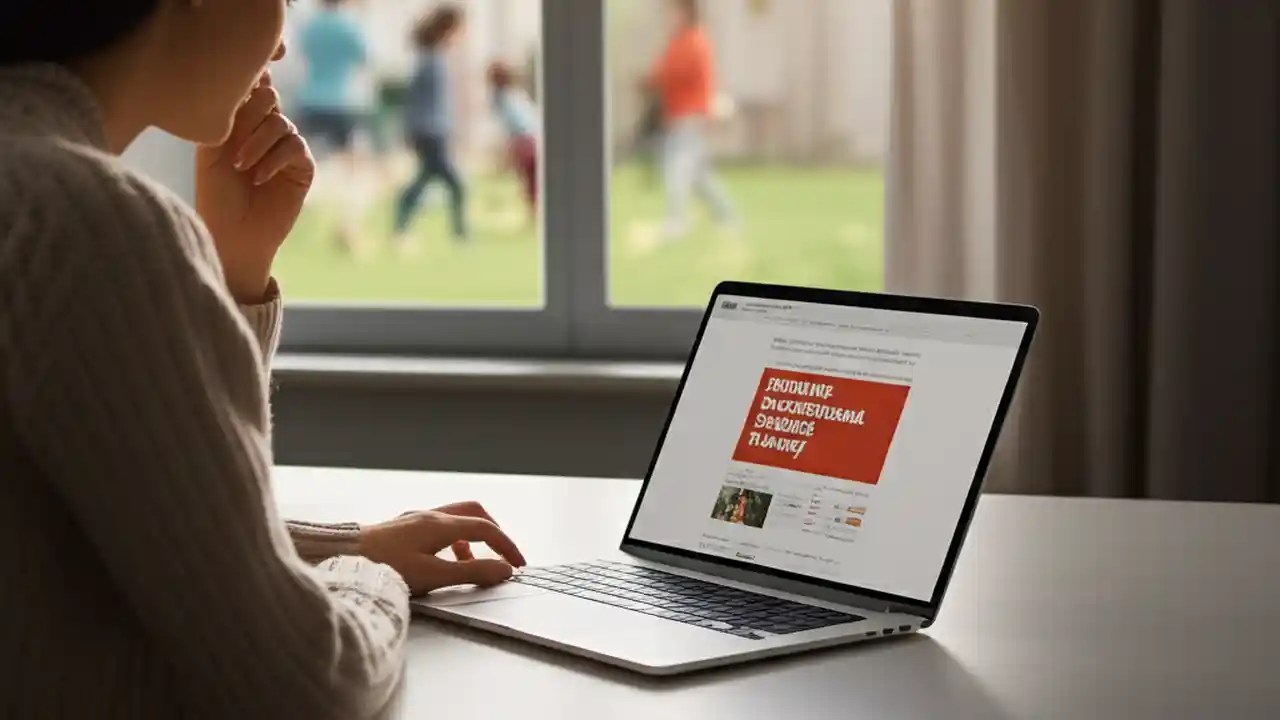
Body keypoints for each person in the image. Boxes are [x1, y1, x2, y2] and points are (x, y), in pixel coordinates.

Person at [0, 1, 525, 717]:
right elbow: (308, 678)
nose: (280, 47)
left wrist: (232, 275)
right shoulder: (84, 222)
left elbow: (133, 528)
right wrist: (363, 575)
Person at [647, 0, 736, 239]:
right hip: (681, 116)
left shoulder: (694, 40)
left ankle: (678, 222)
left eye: (672, 10)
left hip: (691, 116)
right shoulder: (681, 39)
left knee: (676, 169)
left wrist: (652, 77)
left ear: (685, 11)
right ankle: (728, 216)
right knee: (698, 175)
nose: (668, 16)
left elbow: (671, 73)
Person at [296, 0, 371, 256]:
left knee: (299, 163)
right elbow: (365, 57)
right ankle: (348, 228)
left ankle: (297, 210)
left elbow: (302, 54)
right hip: (343, 103)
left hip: (310, 100)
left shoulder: (311, 26)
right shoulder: (349, 25)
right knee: (354, 170)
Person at [394, 5, 467, 251]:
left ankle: (401, 225)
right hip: (429, 131)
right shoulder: (430, 60)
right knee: (452, 183)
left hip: (435, 130)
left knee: (426, 180)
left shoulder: (434, 58)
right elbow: (416, 100)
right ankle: (460, 234)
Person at [487, 60, 539, 219]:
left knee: (531, 179)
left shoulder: (503, 98)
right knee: (532, 179)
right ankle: (535, 214)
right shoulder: (511, 96)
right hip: (528, 139)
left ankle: (534, 213)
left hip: (524, 140)